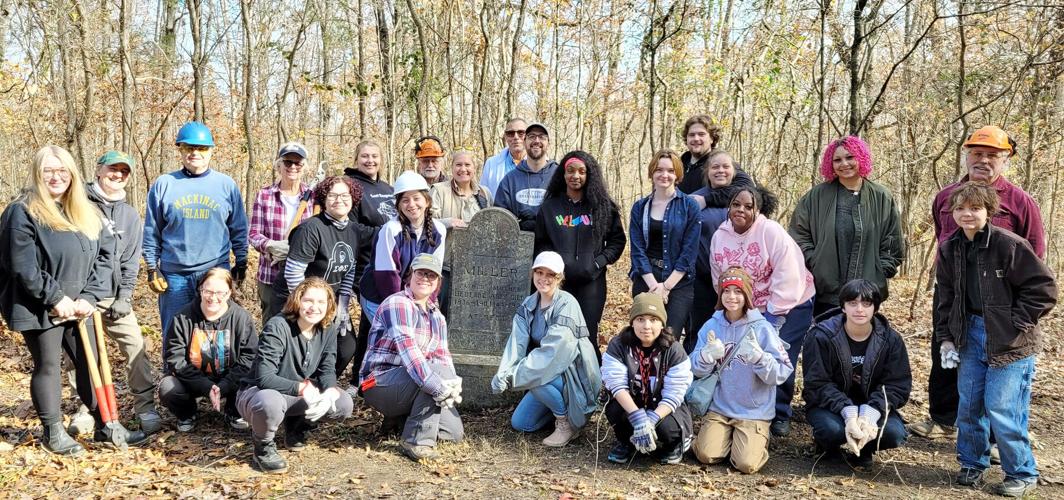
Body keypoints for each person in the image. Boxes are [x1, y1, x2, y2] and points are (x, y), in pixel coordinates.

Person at [0, 145, 145, 455]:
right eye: (49, 171)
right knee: (49, 365)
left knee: (89, 363)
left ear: (73, 174)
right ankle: (53, 432)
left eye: (62, 170)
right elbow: (21, 265)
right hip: (39, 303)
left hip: (81, 304)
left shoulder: (82, 208)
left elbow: (107, 255)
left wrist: (90, 295)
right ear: (38, 173)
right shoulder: (22, 211)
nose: (56, 177)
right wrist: (54, 297)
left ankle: (106, 425)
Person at [912, 126, 1047, 443]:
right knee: (944, 352)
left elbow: (1035, 254)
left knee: (999, 365)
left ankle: (998, 437)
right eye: (976, 153)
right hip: (954, 293)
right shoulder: (946, 198)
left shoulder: (1020, 202)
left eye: (992, 155)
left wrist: (1021, 309)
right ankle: (944, 418)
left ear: (1005, 159)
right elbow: (943, 239)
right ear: (966, 155)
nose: (983, 160)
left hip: (1000, 299)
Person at [934, 182, 1056, 497]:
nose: (966, 214)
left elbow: (1044, 289)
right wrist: (946, 338)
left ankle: (1022, 472)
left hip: (1010, 339)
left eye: (974, 208)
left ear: (989, 210)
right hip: (969, 334)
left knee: (1002, 407)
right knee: (969, 404)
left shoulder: (1008, 244)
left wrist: (1017, 322)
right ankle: (973, 462)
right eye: (960, 208)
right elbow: (945, 298)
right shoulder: (950, 248)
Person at [64, 151, 160, 436]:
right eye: (112, 169)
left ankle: (145, 406)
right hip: (82, 294)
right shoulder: (78, 203)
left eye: (123, 171)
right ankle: (86, 407)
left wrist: (125, 295)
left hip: (114, 295)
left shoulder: (130, 214)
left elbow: (131, 259)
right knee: (81, 354)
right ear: (98, 170)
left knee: (135, 347)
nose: (117, 175)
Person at [710, 186, 815, 438]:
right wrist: (732, 306)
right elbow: (719, 275)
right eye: (736, 204)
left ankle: (779, 413)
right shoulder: (720, 235)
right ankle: (748, 409)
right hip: (747, 305)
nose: (741, 210)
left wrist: (773, 316)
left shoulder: (771, 232)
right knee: (745, 356)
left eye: (749, 206)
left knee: (776, 351)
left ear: (758, 210)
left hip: (790, 303)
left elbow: (788, 274)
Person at [143, 121, 249, 341]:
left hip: (215, 272)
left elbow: (238, 227)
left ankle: (214, 376)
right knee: (175, 333)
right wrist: (152, 268)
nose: (195, 153)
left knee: (215, 333)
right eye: (188, 147)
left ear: (211, 151)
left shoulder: (226, 185)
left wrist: (241, 261)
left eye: (201, 148)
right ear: (180, 150)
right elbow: (152, 230)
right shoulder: (165, 184)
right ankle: (173, 375)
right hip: (175, 275)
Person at [237, 277, 355, 474]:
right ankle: (263, 447)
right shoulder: (278, 326)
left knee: (343, 403)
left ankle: (297, 426)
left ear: (329, 306)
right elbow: (264, 377)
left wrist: (330, 390)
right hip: (259, 393)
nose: (314, 307)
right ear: (297, 300)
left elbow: (327, 368)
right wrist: (302, 388)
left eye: (321, 302)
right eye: (308, 300)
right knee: (270, 402)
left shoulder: (328, 329)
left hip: (298, 394)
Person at [492, 251, 602, 447]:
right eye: (539, 272)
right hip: (549, 374)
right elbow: (516, 342)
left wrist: (515, 374)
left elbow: (553, 354)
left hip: (573, 376)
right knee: (521, 423)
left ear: (559, 278)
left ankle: (566, 423)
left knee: (534, 377)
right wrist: (504, 371)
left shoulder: (567, 304)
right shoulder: (529, 304)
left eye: (550, 274)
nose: (543, 279)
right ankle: (559, 411)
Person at [361, 254, 464, 461]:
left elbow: (443, 355)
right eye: (420, 273)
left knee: (453, 434)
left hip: (412, 382)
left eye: (431, 275)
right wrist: (439, 386)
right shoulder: (398, 303)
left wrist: (452, 385)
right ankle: (416, 440)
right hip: (378, 383)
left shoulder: (437, 316)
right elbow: (411, 354)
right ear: (410, 275)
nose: (425, 278)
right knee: (432, 374)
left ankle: (400, 419)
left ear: (438, 283)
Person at [789, 136, 906, 317]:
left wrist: (879, 272)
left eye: (850, 157)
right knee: (828, 341)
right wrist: (816, 263)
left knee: (862, 343)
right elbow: (798, 235)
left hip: (867, 296)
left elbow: (892, 241)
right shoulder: (816, 197)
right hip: (826, 294)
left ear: (861, 157)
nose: (844, 164)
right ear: (831, 164)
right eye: (837, 160)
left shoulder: (882, 196)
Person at [690, 267, 792, 474]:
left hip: (754, 411)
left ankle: (756, 439)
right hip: (720, 407)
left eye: (738, 291)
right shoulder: (711, 325)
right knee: (706, 455)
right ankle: (726, 439)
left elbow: (782, 372)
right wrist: (706, 356)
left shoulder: (763, 328)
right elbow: (694, 368)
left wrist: (759, 357)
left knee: (746, 464)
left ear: (747, 295)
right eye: (726, 291)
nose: (732, 297)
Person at [802, 279, 911, 469]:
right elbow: (816, 384)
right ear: (843, 307)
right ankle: (828, 447)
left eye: (866, 303)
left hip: (872, 405)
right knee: (833, 430)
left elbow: (897, 385)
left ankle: (865, 449)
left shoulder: (890, 339)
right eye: (852, 303)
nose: (859, 309)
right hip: (830, 407)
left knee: (894, 433)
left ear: (875, 308)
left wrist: (870, 414)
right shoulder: (821, 336)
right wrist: (849, 412)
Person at [270, 176, 368, 384]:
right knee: (296, 353)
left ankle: (315, 389)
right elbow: (293, 273)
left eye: (344, 195)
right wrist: (307, 310)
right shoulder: (311, 229)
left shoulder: (353, 230)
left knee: (346, 347)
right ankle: (287, 396)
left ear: (353, 198)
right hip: (294, 299)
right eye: (332, 195)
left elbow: (348, 270)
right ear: (323, 199)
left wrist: (341, 308)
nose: (339, 200)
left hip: (329, 304)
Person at [354, 171, 447, 378]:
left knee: (421, 332)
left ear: (427, 201)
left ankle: (411, 381)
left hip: (414, 293)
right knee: (397, 336)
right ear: (398, 205)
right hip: (379, 294)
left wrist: (427, 305)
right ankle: (374, 381)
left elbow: (433, 273)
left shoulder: (439, 230)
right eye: (405, 200)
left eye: (416, 198)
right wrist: (407, 307)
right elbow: (388, 276)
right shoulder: (391, 230)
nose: (411, 204)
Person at [534, 151, 626, 356]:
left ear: (589, 175)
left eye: (582, 172)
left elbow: (617, 241)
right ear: (562, 175)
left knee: (586, 336)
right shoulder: (550, 207)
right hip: (558, 282)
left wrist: (597, 262)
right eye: (570, 171)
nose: (575, 176)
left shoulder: (602, 207)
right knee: (557, 334)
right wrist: (550, 269)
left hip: (591, 282)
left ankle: (589, 384)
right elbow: (541, 242)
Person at [161, 268, 258, 432]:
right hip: (193, 380)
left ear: (229, 293)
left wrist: (225, 385)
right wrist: (205, 386)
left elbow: (250, 357)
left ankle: (234, 411)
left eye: (220, 293)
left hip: (230, 379)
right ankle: (187, 413)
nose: (213, 298)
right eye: (208, 291)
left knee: (254, 380)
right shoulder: (182, 317)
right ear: (200, 290)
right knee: (168, 387)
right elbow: (174, 358)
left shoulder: (241, 318)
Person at [602, 293, 693, 464]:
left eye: (653, 319)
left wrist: (652, 419)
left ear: (662, 323)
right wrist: (638, 417)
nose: (646, 326)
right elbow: (616, 385)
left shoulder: (674, 350)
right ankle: (626, 442)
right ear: (632, 322)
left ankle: (672, 446)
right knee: (615, 409)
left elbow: (675, 393)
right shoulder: (619, 345)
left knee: (668, 428)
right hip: (633, 403)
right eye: (640, 319)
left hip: (662, 408)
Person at [629, 149, 701, 352]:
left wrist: (666, 287)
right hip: (646, 278)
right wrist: (654, 287)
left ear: (677, 175)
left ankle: (666, 383)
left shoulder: (689, 206)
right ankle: (642, 382)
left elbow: (689, 251)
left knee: (669, 339)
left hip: (678, 283)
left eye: (670, 170)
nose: (664, 175)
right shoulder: (640, 207)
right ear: (652, 172)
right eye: (659, 169)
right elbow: (637, 250)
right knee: (644, 336)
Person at [687, 150, 755, 336]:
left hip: (739, 278)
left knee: (738, 329)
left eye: (726, 166)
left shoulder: (745, 200)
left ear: (734, 171)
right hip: (702, 278)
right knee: (701, 330)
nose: (721, 171)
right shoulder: (694, 199)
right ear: (707, 172)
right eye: (715, 167)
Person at [249, 143, 313, 316]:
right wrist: (271, 245)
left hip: (304, 276)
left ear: (304, 167)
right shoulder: (265, 195)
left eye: (297, 163)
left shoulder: (313, 197)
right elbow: (254, 234)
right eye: (287, 162)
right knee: (272, 327)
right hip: (271, 274)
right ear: (279, 165)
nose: (292, 167)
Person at [343, 140, 396, 291]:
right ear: (356, 159)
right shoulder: (349, 187)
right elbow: (349, 229)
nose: (370, 161)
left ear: (381, 160)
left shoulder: (389, 189)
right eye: (365, 156)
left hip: (391, 265)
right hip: (364, 269)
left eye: (375, 156)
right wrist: (385, 233)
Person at [495, 122, 558, 231]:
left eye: (542, 137)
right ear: (524, 142)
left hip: (552, 244)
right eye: (531, 136)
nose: (536, 141)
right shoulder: (510, 180)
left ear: (549, 143)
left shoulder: (559, 176)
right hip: (520, 243)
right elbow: (499, 219)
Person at [430, 150, 493, 229]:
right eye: (458, 165)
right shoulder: (438, 191)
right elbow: (427, 223)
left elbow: (492, 223)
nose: (463, 169)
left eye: (467, 165)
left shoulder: (484, 192)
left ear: (474, 169)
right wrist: (448, 222)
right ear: (452, 168)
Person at [676, 115, 724, 194]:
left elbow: (744, 187)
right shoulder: (678, 165)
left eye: (701, 134)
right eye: (691, 135)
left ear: (711, 138)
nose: (696, 139)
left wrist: (706, 200)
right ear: (686, 138)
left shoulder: (720, 163)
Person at [481, 117, 527, 197]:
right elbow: (483, 196)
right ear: (505, 137)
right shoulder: (491, 164)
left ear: (528, 136)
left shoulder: (538, 164)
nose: (516, 137)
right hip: (498, 209)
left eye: (521, 133)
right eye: (510, 133)